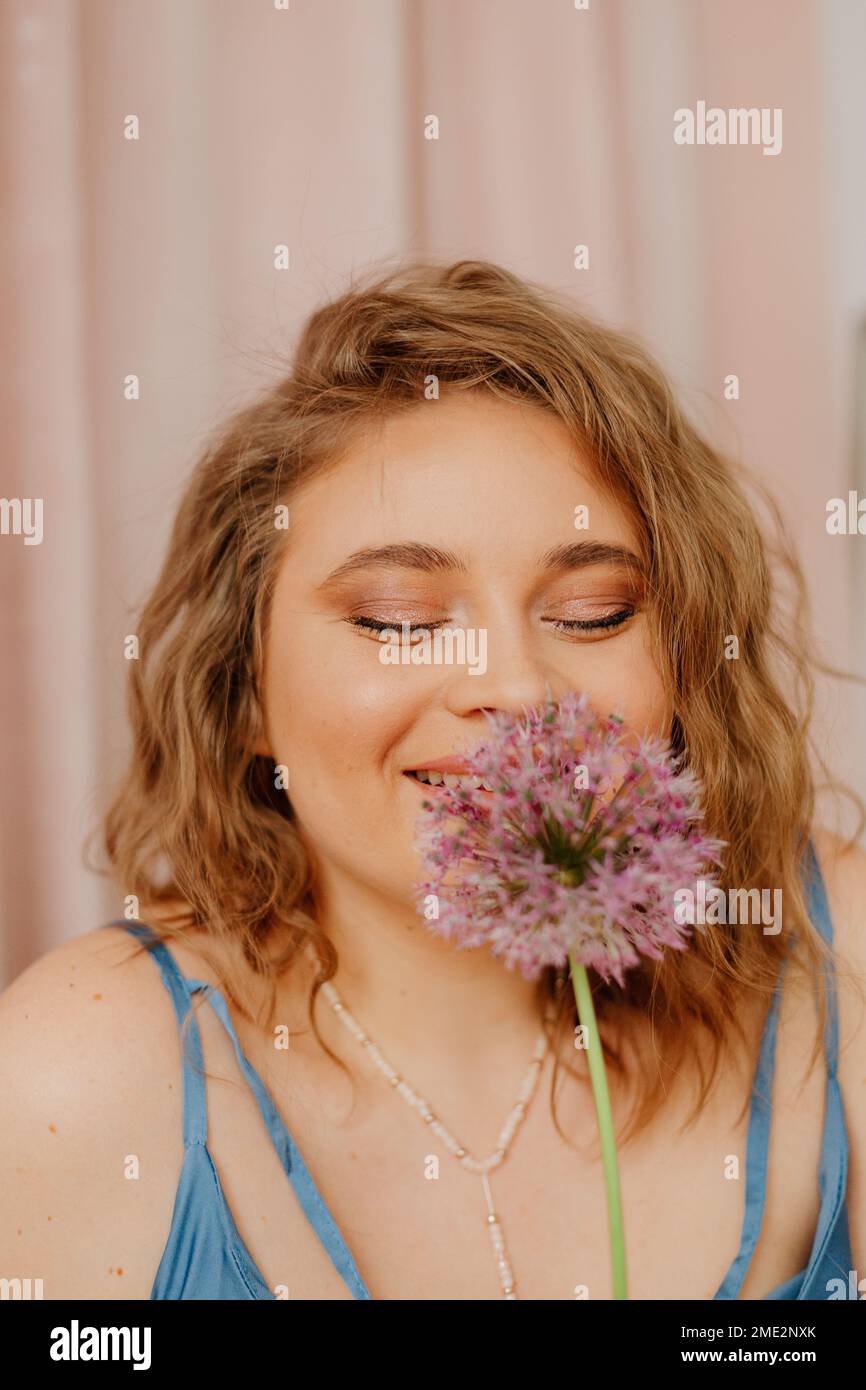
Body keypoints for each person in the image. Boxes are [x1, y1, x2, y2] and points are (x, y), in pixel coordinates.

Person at [1, 259, 864, 1301]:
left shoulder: (834, 949)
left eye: (591, 614)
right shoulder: (80, 1066)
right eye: (399, 620)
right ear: (244, 695)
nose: (514, 685)